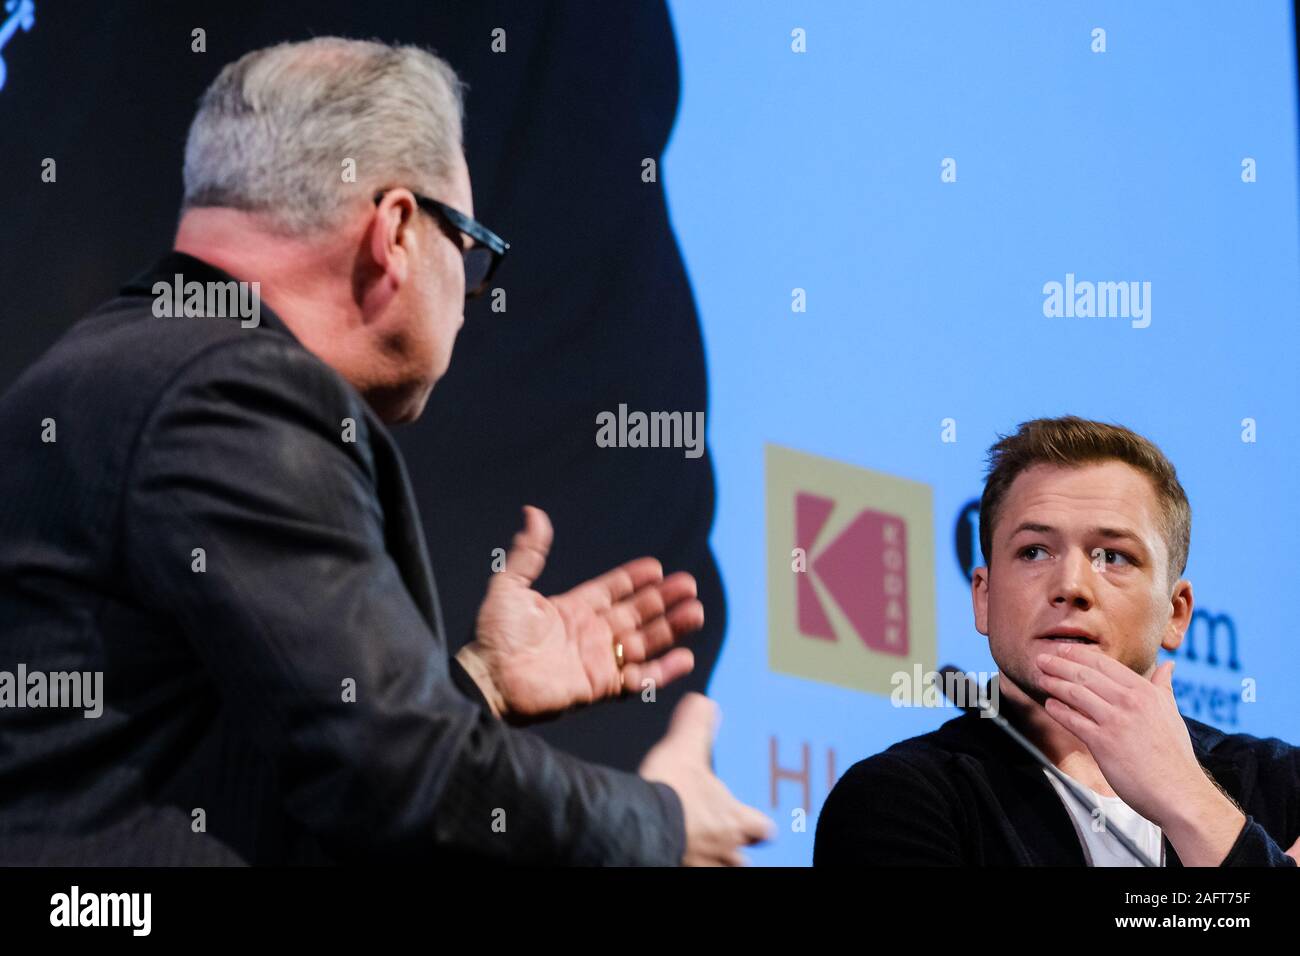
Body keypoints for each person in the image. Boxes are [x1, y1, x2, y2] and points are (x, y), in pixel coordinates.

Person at [0, 37, 773, 865]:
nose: (471, 297)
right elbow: (397, 776)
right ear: (396, 230)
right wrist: (658, 827)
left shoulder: (112, 367)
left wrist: (478, 685)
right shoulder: (237, 390)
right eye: (472, 250)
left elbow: (255, 771)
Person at [814, 416, 1299, 866]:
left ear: (1175, 613)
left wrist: (1188, 799)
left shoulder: (1283, 785)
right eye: (1034, 551)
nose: (1071, 585)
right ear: (984, 598)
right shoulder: (898, 800)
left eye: (1113, 556)